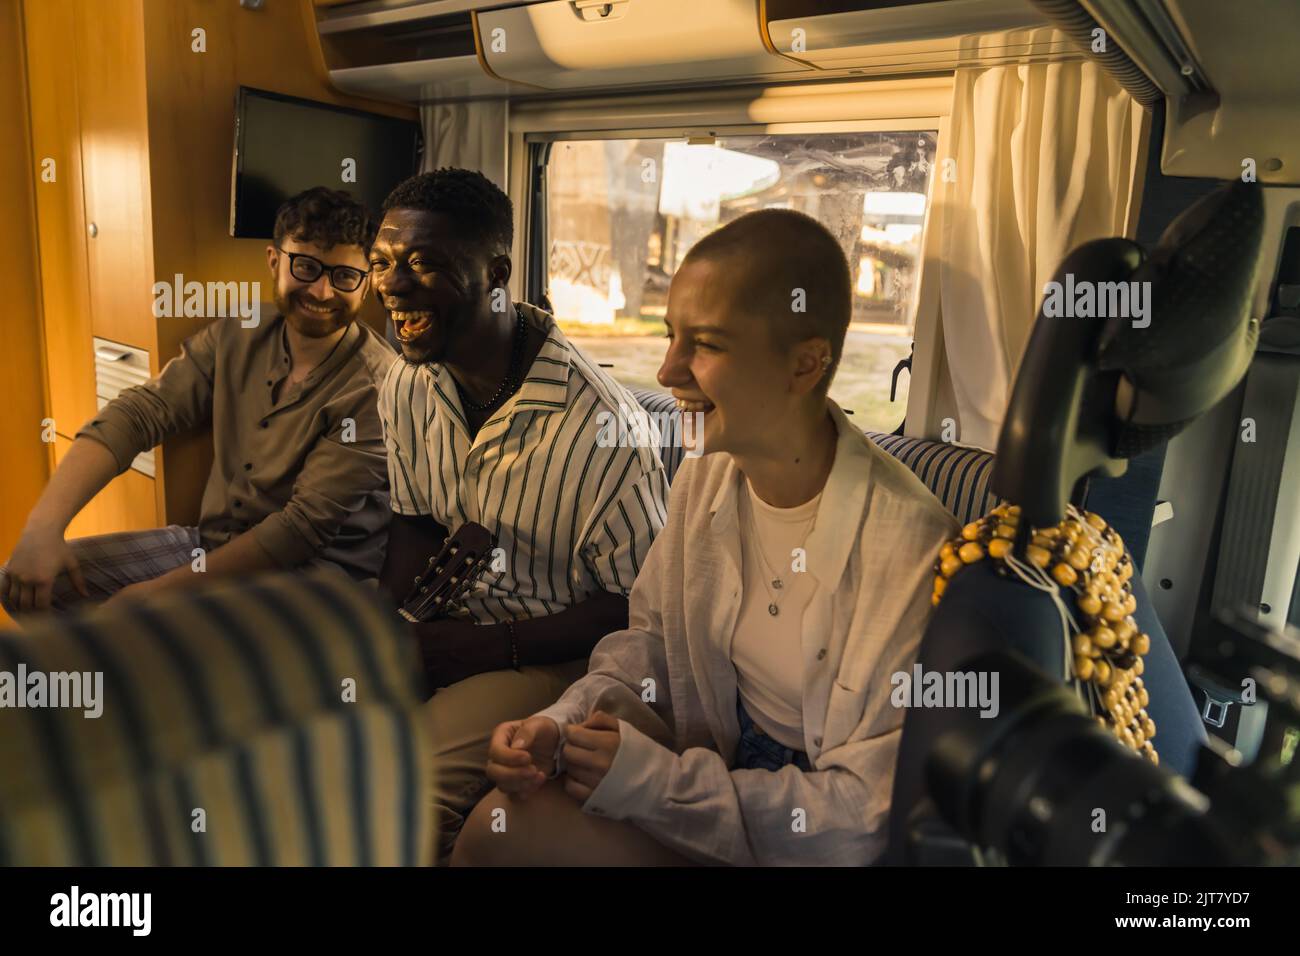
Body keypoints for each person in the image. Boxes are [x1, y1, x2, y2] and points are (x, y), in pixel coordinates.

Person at [454, 208, 960, 866]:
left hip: (803, 836)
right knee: (496, 826)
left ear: (805, 366)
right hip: (710, 773)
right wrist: (563, 724)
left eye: (708, 345)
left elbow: (860, 819)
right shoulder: (706, 474)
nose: (668, 372)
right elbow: (653, 648)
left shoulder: (911, 547)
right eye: (670, 337)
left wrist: (657, 786)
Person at [370, 169, 668, 861]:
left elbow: (638, 610)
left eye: (423, 264)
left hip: (554, 656)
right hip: (449, 628)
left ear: (496, 271)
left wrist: (480, 650)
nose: (393, 285)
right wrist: (390, 634)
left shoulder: (602, 426)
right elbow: (415, 521)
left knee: (393, 786)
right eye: (382, 264)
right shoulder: (407, 380)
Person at [1, 187, 395, 614]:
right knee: (21, 582)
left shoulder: (375, 385)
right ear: (274, 261)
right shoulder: (238, 332)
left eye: (343, 276)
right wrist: (42, 528)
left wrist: (156, 595)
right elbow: (139, 414)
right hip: (209, 549)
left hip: (310, 584)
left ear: (366, 281)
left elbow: (299, 529)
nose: (321, 292)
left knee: (143, 631)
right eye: (306, 266)